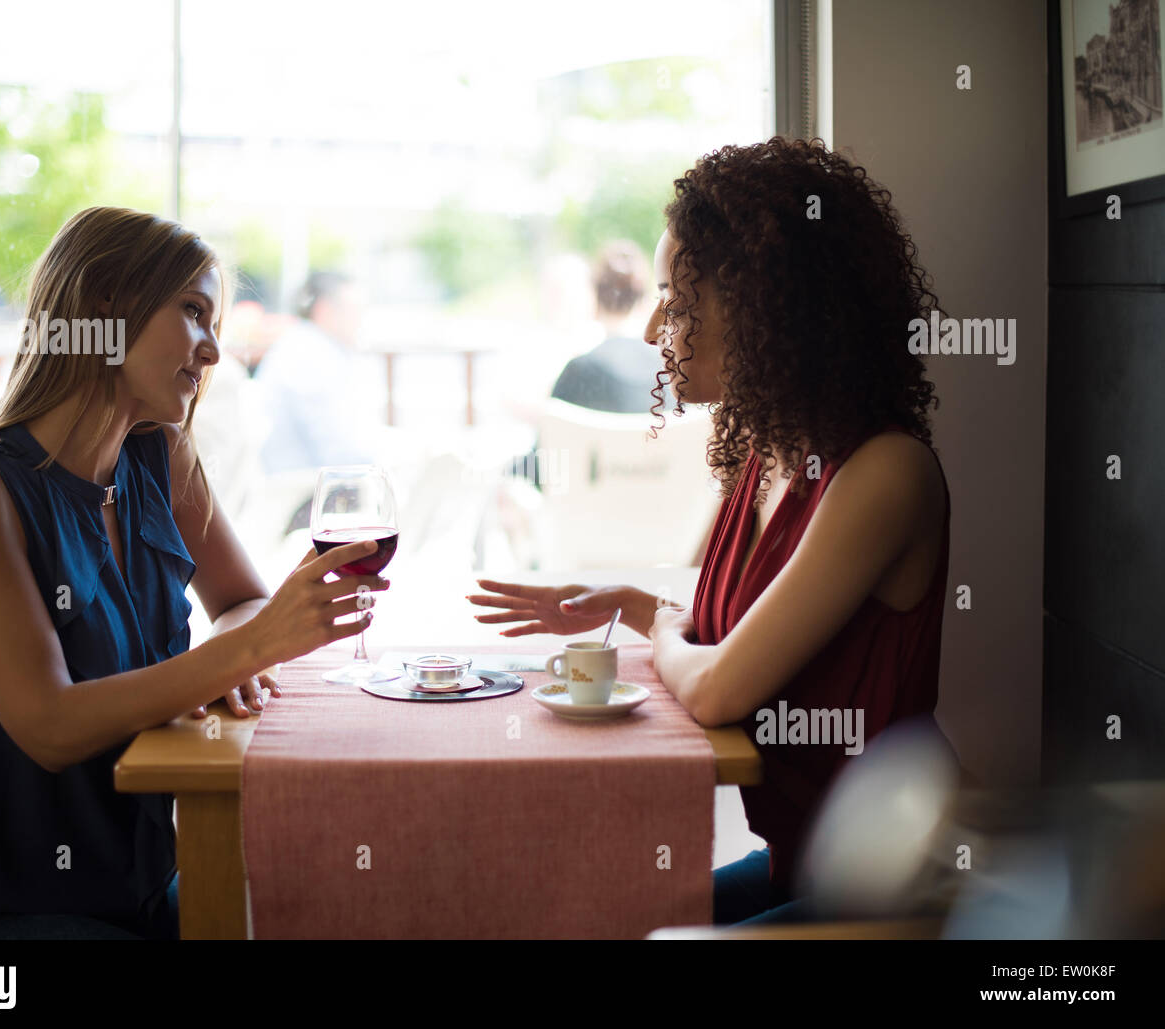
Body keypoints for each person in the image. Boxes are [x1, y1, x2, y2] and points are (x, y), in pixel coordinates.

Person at [467, 137, 951, 926]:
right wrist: (623, 598)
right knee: (585, 919)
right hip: (806, 860)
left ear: (769, 307)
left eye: (679, 297)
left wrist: (658, 628)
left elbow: (721, 683)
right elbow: (719, 611)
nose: (657, 323)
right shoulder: (764, 450)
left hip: (885, 889)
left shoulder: (884, 474)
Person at [0, 207, 389, 940]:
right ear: (106, 307)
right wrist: (237, 653)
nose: (213, 351)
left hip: (132, 892)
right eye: (194, 313)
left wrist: (238, 648)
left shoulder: (160, 455)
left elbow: (240, 599)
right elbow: (48, 723)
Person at [253, 269, 381, 475]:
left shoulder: (311, 345)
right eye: (355, 310)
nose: (361, 321)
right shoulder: (309, 354)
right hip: (303, 491)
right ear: (324, 310)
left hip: (313, 482)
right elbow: (340, 451)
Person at [550, 239, 666, 413]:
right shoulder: (674, 374)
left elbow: (551, 435)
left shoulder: (579, 373)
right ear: (643, 297)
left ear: (595, 295)